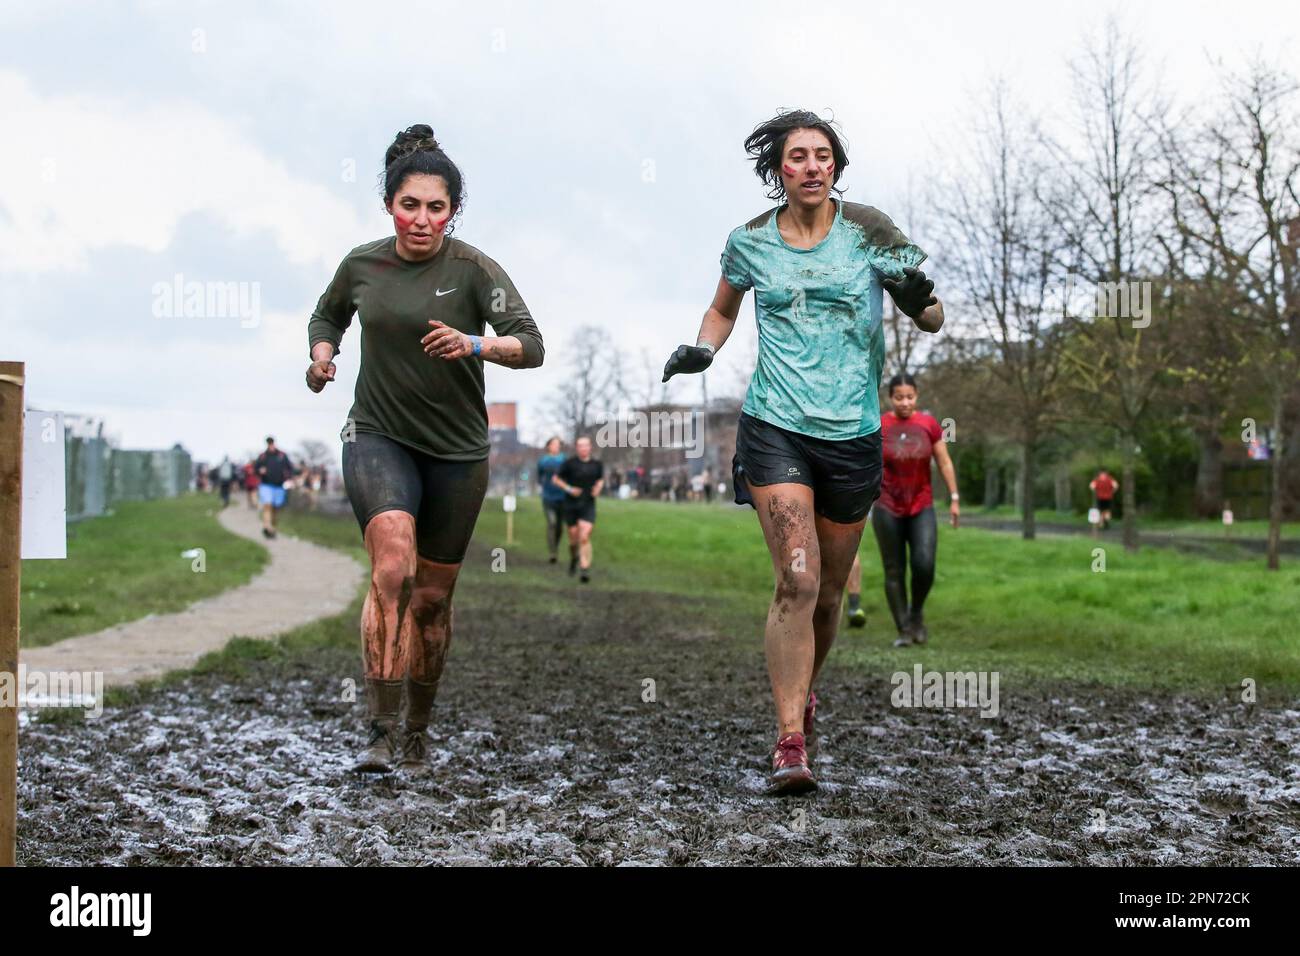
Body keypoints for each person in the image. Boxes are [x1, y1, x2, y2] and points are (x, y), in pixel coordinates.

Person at [662, 109, 943, 795]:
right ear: (778, 170)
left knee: (827, 599)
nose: (812, 166)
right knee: (799, 580)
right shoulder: (750, 242)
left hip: (852, 434)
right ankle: (790, 740)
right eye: (798, 157)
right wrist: (704, 347)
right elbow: (724, 308)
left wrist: (914, 293)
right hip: (776, 425)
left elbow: (933, 317)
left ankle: (806, 695)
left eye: (823, 156)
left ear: (836, 168)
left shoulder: (870, 230)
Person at [306, 124, 544, 774]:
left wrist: (475, 344)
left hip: (457, 453)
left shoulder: (473, 270)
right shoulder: (362, 264)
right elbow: (328, 315)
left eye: (436, 207)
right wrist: (322, 356)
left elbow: (530, 343)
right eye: (410, 205)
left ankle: (416, 728)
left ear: (452, 211)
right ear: (390, 205)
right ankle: (380, 731)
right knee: (391, 569)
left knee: (434, 603)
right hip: (376, 436)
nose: (421, 218)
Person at [861, 373, 959, 647]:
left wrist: (954, 497)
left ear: (917, 396)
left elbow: (945, 462)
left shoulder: (929, 424)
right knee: (894, 569)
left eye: (910, 397)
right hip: (887, 506)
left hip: (921, 505)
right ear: (890, 398)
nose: (905, 402)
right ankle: (904, 628)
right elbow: (866, 463)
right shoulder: (878, 425)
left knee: (924, 563)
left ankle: (916, 614)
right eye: (899, 397)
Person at [552, 436, 604, 583]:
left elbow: (600, 479)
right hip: (571, 505)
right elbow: (555, 479)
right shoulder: (569, 464)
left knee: (585, 536)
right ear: (577, 448)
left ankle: (584, 568)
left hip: (588, 504)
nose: (583, 448)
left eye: (585, 445)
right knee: (573, 539)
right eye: (580, 446)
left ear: (590, 447)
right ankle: (574, 558)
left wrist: (598, 488)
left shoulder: (597, 464)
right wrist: (569, 489)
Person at [254, 437, 294, 538]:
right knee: (267, 505)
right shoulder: (263, 456)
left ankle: (273, 527)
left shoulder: (282, 455)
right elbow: (256, 469)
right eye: (269, 443)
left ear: (274, 443)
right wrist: (260, 471)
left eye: (271, 443)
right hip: (266, 485)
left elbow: (290, 468)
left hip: (279, 486)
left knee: (275, 508)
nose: (270, 445)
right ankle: (267, 527)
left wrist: (288, 478)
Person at [536, 437, 567, 563]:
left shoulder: (564, 459)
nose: (556, 446)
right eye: (553, 444)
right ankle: (553, 552)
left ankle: (555, 545)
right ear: (548, 446)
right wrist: (543, 487)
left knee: (559, 526)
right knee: (552, 523)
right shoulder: (543, 461)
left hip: (562, 497)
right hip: (548, 497)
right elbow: (539, 477)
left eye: (558, 444)